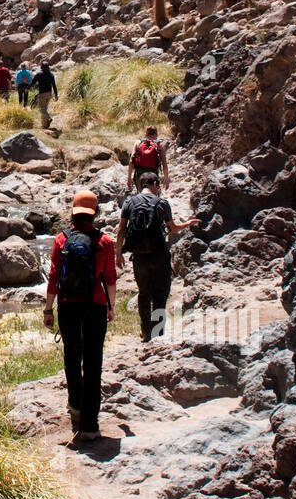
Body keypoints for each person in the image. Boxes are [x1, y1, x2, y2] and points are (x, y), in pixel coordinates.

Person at [43, 190, 117, 441]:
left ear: (73, 213)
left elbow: (53, 277)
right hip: (95, 305)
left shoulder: (61, 240)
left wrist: (47, 309)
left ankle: (75, 405)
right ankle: (89, 426)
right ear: (95, 213)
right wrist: (111, 306)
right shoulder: (105, 242)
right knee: (93, 363)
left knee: (72, 358)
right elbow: (110, 278)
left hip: (67, 306)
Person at [116, 171, 199, 342]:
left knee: (144, 293)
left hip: (139, 256)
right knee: (160, 294)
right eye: (158, 184)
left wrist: (118, 253)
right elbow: (172, 228)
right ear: (154, 184)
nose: (159, 188)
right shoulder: (162, 203)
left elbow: (121, 229)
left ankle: (146, 332)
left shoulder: (129, 202)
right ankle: (158, 335)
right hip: (159, 255)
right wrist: (188, 224)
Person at [127, 126, 169, 191]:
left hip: (139, 173)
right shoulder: (158, 145)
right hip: (153, 173)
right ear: (156, 134)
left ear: (146, 134)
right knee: (153, 197)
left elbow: (131, 161)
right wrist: (166, 179)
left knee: (141, 195)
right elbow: (164, 164)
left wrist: (129, 178)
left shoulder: (138, 143)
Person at [32, 60, 58, 130]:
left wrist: (28, 88)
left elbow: (33, 82)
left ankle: (48, 118)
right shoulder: (51, 74)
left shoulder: (39, 74)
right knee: (45, 109)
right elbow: (54, 85)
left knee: (41, 109)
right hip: (49, 93)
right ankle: (45, 125)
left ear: (41, 67)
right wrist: (56, 95)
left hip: (42, 94)